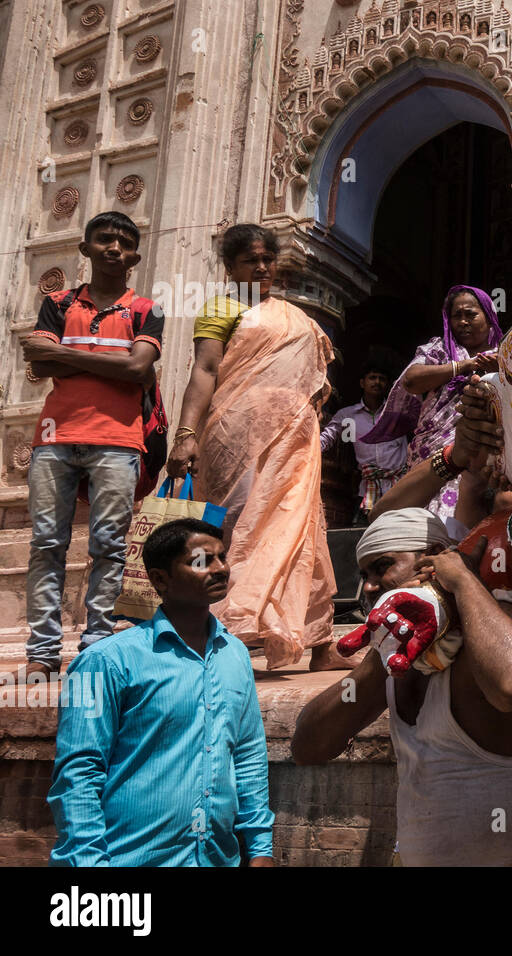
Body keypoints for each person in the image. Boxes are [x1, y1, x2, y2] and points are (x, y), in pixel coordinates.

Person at [290, 508, 512, 866]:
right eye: (364, 575)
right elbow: (307, 747)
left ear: (432, 558)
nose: (368, 587)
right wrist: (382, 654)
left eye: (382, 567)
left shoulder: (495, 618)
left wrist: (460, 580)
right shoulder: (396, 653)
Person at [47, 518, 275, 866]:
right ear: (160, 579)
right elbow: (78, 774)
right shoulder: (105, 661)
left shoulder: (235, 654)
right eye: (201, 561)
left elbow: (247, 755)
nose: (219, 569)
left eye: (222, 558)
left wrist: (260, 850)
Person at [166, 223, 340, 671]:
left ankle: (319, 643)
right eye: (250, 260)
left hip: (293, 444)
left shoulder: (293, 316)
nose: (262, 267)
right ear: (230, 266)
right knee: (237, 529)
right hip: (233, 439)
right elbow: (204, 371)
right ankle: (225, 633)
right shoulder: (220, 309)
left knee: (302, 531)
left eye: (267, 259)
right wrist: (185, 434)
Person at [13, 212, 164, 684]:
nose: (114, 247)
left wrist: (64, 355)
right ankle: (42, 651)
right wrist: (108, 360)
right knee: (46, 545)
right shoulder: (58, 302)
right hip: (56, 438)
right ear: (86, 249)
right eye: (104, 239)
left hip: (119, 439)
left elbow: (139, 369)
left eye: (123, 241)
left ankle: (97, 644)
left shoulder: (145, 308)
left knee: (108, 547)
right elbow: (35, 354)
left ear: (135, 256)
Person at [360, 286, 502, 525]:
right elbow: (412, 380)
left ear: (489, 316)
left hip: (484, 447)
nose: (463, 322)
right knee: (425, 509)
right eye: (457, 316)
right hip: (433, 448)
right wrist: (463, 366)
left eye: (471, 314)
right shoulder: (439, 350)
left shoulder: (507, 353)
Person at [320, 362, 409, 523]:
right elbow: (329, 438)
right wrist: (306, 450)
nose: (377, 382)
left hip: (399, 486)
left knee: (400, 530)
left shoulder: (398, 414)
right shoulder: (349, 416)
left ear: (388, 384)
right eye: (372, 378)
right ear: (362, 383)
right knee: (363, 532)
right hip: (367, 490)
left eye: (382, 379)